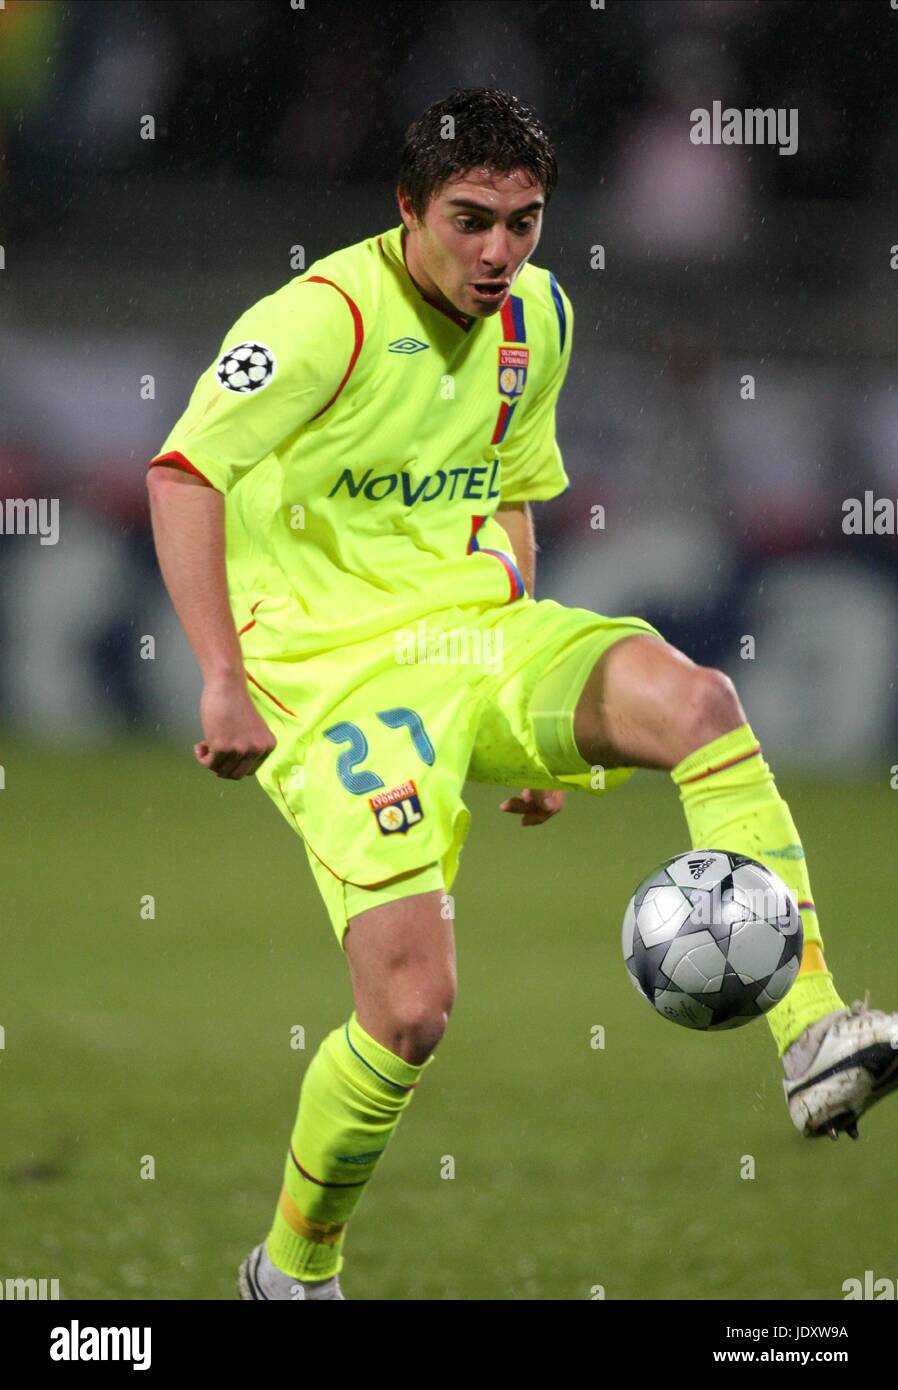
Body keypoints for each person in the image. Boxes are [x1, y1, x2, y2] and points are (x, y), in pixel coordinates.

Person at [146, 88, 898, 1302]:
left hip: (474, 639)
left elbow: (508, 491)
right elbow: (182, 475)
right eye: (470, 220)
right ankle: (291, 1272)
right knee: (409, 1016)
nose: (498, 251)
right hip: (333, 682)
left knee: (699, 701)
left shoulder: (535, 316)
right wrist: (222, 677)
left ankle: (811, 1028)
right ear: (408, 211)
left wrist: (538, 740)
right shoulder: (316, 322)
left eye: (525, 221)